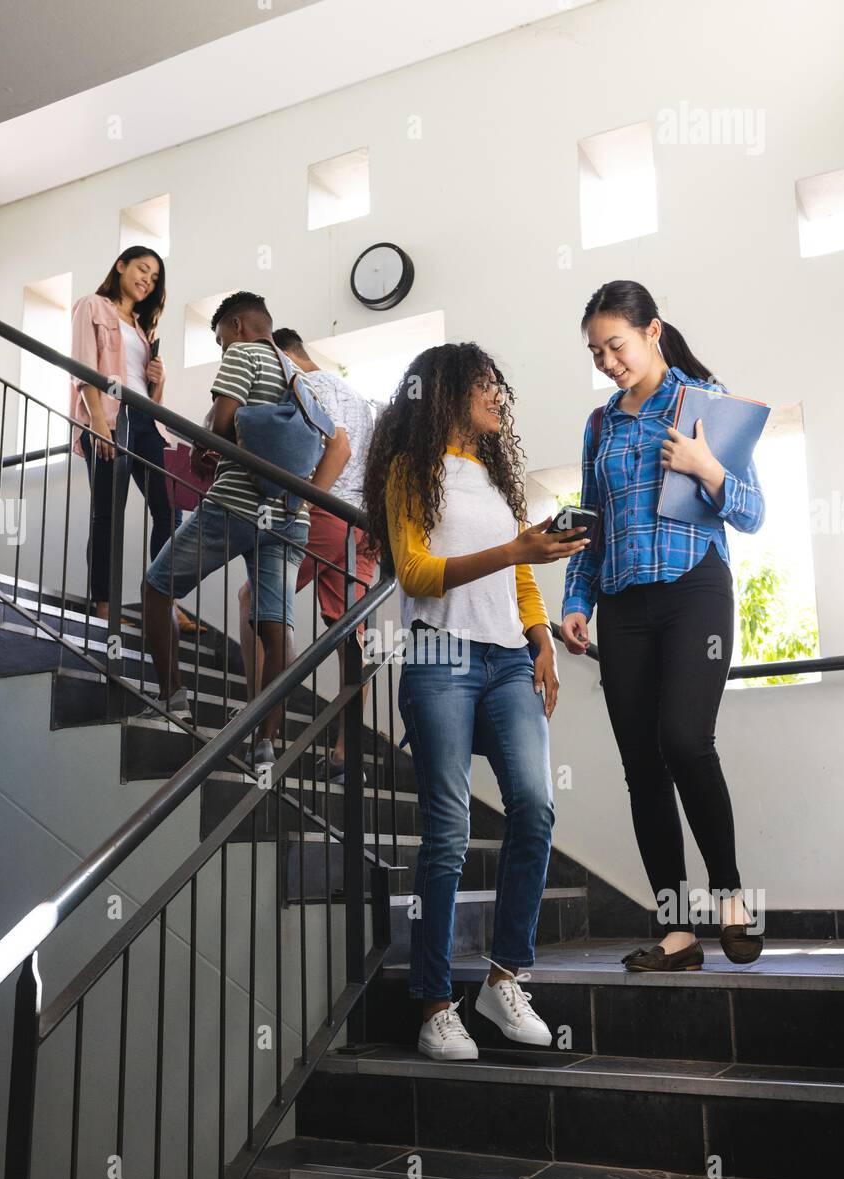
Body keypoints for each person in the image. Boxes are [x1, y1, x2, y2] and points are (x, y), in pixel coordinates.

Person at [363, 342, 589, 1060]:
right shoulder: (411, 471)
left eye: (498, 384)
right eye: (485, 386)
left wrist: (541, 639)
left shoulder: (495, 481)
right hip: (440, 660)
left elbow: (518, 579)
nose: (498, 396)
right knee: (449, 830)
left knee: (534, 804)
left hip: (506, 659)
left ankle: (502, 979)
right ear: (447, 394)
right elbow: (419, 574)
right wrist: (515, 554)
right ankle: (434, 1004)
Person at [558, 280, 766, 971]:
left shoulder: (705, 402)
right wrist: (575, 600)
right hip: (623, 607)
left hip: (692, 591)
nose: (606, 361)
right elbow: (590, 523)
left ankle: (731, 898)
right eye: (595, 351)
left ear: (652, 331)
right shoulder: (600, 426)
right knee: (641, 767)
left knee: (683, 740)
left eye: (614, 344)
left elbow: (751, 512)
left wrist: (708, 470)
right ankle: (677, 932)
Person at [141, 292, 349, 764]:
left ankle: (173, 698)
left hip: (233, 506)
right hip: (289, 518)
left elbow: (224, 419)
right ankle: (266, 744)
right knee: (275, 628)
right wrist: (301, 495)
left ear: (237, 326)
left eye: (219, 340)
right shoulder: (303, 381)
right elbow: (335, 444)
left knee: (156, 587)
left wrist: (200, 446)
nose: (221, 351)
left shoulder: (244, 354)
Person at [232, 327, 377, 783]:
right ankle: (343, 752)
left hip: (324, 514)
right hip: (365, 524)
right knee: (352, 636)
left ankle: (262, 727)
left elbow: (321, 454)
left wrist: (300, 503)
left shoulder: (300, 387)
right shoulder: (358, 397)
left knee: (256, 602)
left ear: (280, 354)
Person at [70, 247, 196, 632]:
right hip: (109, 416)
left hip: (145, 420)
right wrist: (98, 423)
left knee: (170, 508)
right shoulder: (91, 306)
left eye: (155, 277)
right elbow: (84, 367)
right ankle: (105, 605)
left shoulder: (143, 328)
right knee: (109, 510)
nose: (148, 280)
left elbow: (146, 390)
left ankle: (163, 602)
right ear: (121, 266)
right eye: (143, 269)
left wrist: (158, 380)